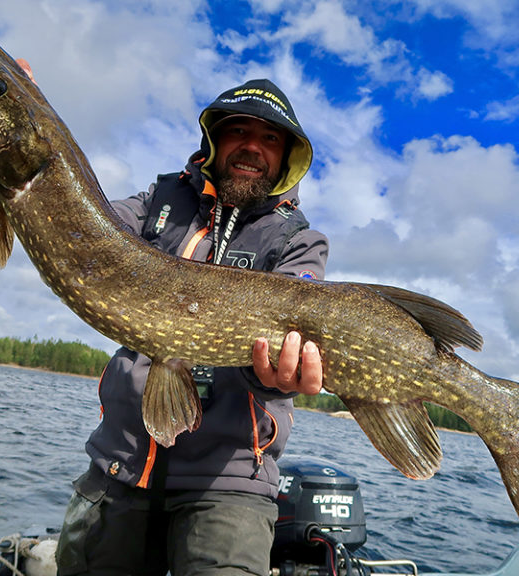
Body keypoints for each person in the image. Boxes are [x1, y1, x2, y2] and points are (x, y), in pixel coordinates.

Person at [55, 78, 329, 576]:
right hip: (119, 466)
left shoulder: (298, 242)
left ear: (287, 156)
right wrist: (41, 144)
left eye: (270, 138)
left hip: (229, 485)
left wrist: (273, 372)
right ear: (213, 140)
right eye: (238, 131)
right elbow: (76, 222)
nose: (252, 147)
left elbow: (291, 339)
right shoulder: (156, 203)